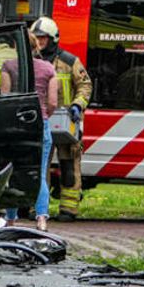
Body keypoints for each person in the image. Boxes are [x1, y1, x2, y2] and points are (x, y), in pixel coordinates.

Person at [30, 16, 92, 221]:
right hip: (42, 120)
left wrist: (77, 105)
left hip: (66, 120)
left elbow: (85, 85)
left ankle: (68, 209)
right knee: (39, 166)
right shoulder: (31, 61)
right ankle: (37, 208)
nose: (39, 42)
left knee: (68, 165)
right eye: (36, 38)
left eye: (43, 38)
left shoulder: (69, 61)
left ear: (53, 39)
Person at [1, 41, 59, 232]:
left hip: (16, 125)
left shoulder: (9, 66)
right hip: (40, 124)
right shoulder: (49, 69)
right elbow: (52, 103)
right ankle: (41, 219)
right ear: (37, 48)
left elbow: (5, 98)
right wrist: (42, 116)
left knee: (14, 173)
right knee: (41, 173)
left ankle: (10, 220)